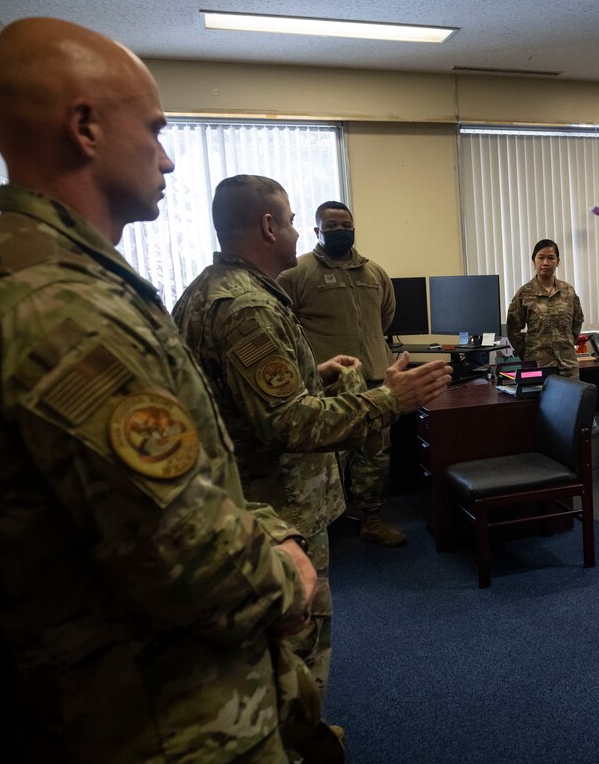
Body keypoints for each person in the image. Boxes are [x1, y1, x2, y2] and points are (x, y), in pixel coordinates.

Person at [0, 18, 324, 762]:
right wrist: (286, 576)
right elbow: (183, 554)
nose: (167, 158)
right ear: (85, 127)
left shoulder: (51, 282)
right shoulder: (60, 310)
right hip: (159, 719)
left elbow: (186, 471)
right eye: (154, 129)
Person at [173, 176, 452, 697]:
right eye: (295, 221)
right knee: (293, 643)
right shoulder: (248, 307)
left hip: (254, 501)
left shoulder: (214, 291)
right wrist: (392, 400)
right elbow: (288, 424)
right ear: (268, 224)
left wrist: (311, 375)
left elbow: (244, 397)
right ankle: (300, 740)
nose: (300, 233)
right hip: (278, 508)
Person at [277, 201, 406, 546]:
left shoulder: (374, 272)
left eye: (344, 224)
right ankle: (322, 528)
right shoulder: (296, 273)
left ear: (354, 227)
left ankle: (373, 520)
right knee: (327, 460)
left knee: (375, 456)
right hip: (328, 385)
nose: (339, 231)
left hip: (374, 381)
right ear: (318, 231)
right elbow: (283, 327)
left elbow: (386, 318)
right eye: (330, 226)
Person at [506, 239, 585, 378]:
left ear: (557, 261)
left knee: (571, 399)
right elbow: (513, 329)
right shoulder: (524, 294)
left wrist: (567, 344)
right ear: (534, 260)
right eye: (541, 258)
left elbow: (577, 321)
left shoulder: (568, 291)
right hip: (537, 365)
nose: (545, 263)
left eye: (551, 258)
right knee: (539, 400)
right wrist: (527, 353)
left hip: (567, 366)